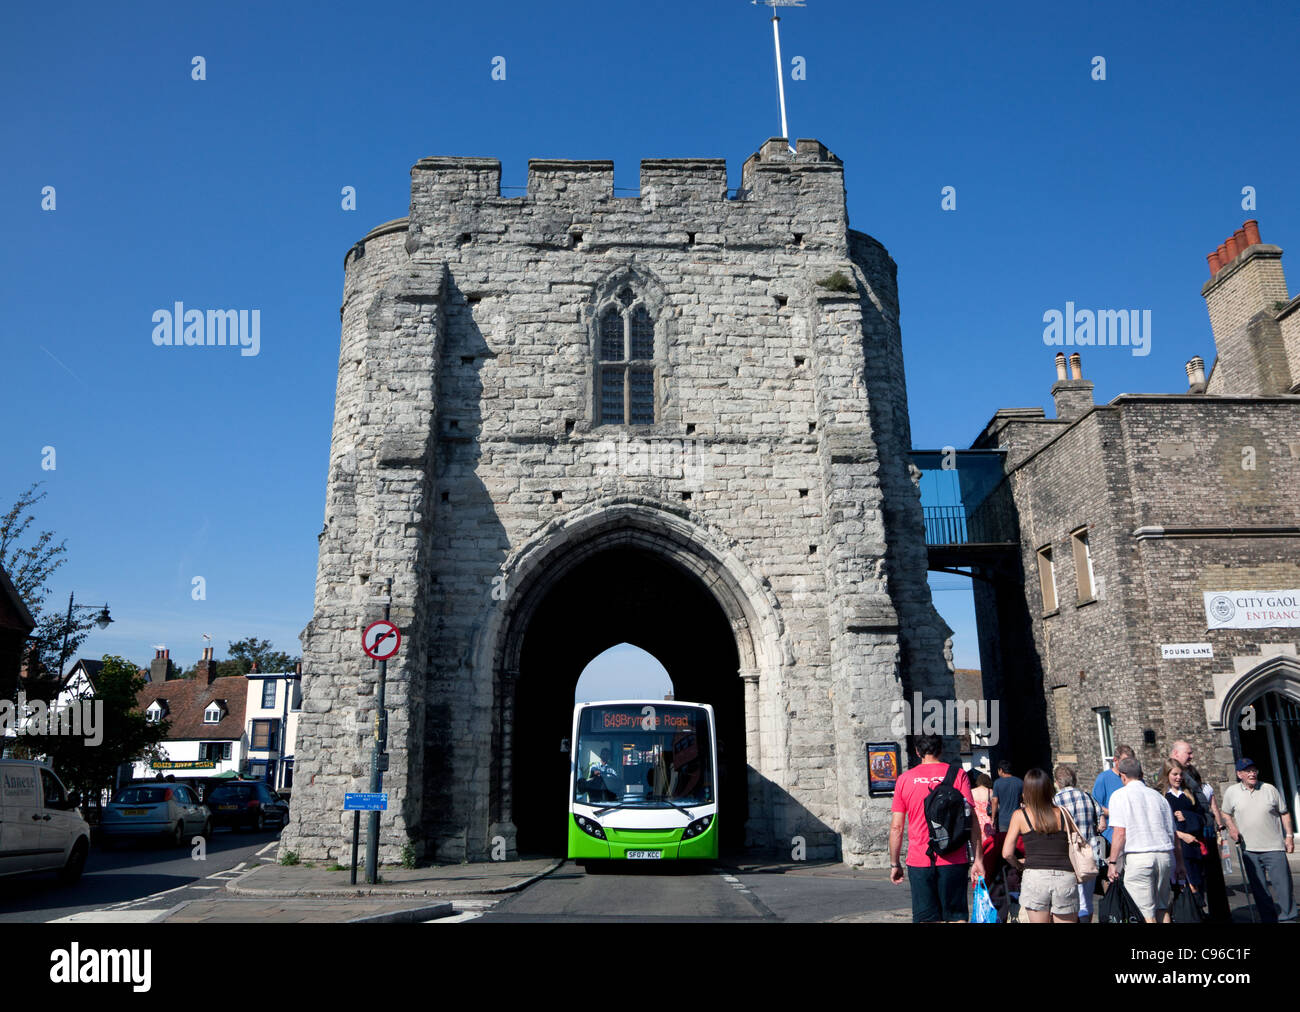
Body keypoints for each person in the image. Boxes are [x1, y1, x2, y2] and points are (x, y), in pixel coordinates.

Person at [888, 734, 986, 922]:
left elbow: (896, 828)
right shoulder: (958, 775)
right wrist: (978, 859)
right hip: (954, 857)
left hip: (920, 859)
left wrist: (895, 864)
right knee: (956, 916)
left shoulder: (905, 779)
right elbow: (972, 820)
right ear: (940, 750)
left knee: (926, 918)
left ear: (917, 752)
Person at [1106, 756, 1186, 922]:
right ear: (1141, 774)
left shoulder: (1119, 796)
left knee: (1144, 913)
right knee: (1162, 908)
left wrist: (1112, 863)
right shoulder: (1159, 798)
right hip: (1164, 856)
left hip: (1139, 858)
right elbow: (1173, 834)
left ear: (1123, 776)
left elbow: (1120, 833)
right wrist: (1180, 863)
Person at [1221, 758, 1296, 923]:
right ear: (1239, 774)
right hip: (1249, 849)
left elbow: (1284, 812)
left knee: (1284, 888)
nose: (1252, 773)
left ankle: (1288, 918)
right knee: (1260, 889)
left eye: (1254, 770)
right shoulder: (1232, 792)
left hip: (1274, 847)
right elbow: (1225, 813)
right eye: (1247, 771)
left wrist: (1289, 836)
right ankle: (1268, 919)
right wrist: (1232, 828)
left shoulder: (1269, 789)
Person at [1003, 768, 1079, 922]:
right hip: (1065, 876)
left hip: (1035, 876)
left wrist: (1018, 865)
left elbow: (1007, 853)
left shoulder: (1020, 815)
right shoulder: (1064, 813)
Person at [1170, 739, 1230, 923]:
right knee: (1191, 881)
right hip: (1186, 839)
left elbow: (1202, 807)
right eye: (1188, 753)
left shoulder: (1189, 775)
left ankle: (1214, 916)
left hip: (1203, 833)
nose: (1192, 756)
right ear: (1176, 754)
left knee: (1205, 879)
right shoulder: (1172, 781)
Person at [1053, 764, 1101, 921]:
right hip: (1090, 855)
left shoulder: (1056, 800)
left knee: (1071, 904)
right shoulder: (1088, 796)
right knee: (1087, 901)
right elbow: (1101, 823)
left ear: (1058, 782)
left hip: (1069, 857)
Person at [1157, 758, 1206, 899]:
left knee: (1196, 886)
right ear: (1167, 775)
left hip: (1192, 847)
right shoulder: (1162, 796)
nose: (1178, 778)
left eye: (1180, 774)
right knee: (1179, 888)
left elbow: (1201, 817)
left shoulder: (1189, 794)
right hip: (1173, 848)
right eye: (1175, 774)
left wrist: (1186, 817)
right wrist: (1181, 835)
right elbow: (1160, 824)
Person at [1091, 744, 1135, 856]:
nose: (1128, 765)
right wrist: (1115, 813)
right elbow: (1095, 806)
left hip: (1133, 837)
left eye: (1131, 761)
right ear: (1115, 760)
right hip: (1112, 837)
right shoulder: (1103, 778)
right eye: (1125, 761)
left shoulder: (1135, 778)